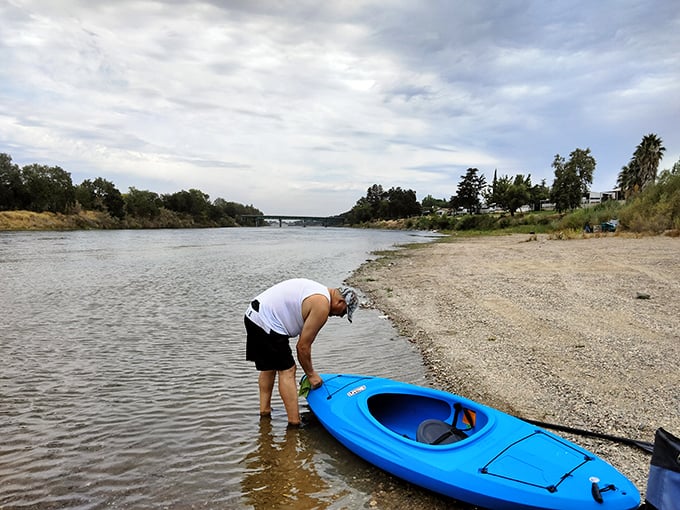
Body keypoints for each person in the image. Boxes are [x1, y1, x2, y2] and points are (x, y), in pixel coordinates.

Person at [244, 278, 359, 426]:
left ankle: (264, 414)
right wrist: (311, 375)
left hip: (253, 316)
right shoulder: (322, 305)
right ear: (340, 302)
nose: (340, 316)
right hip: (266, 321)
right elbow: (303, 347)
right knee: (288, 370)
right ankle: (294, 423)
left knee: (270, 368)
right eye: (344, 312)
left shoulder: (318, 291)